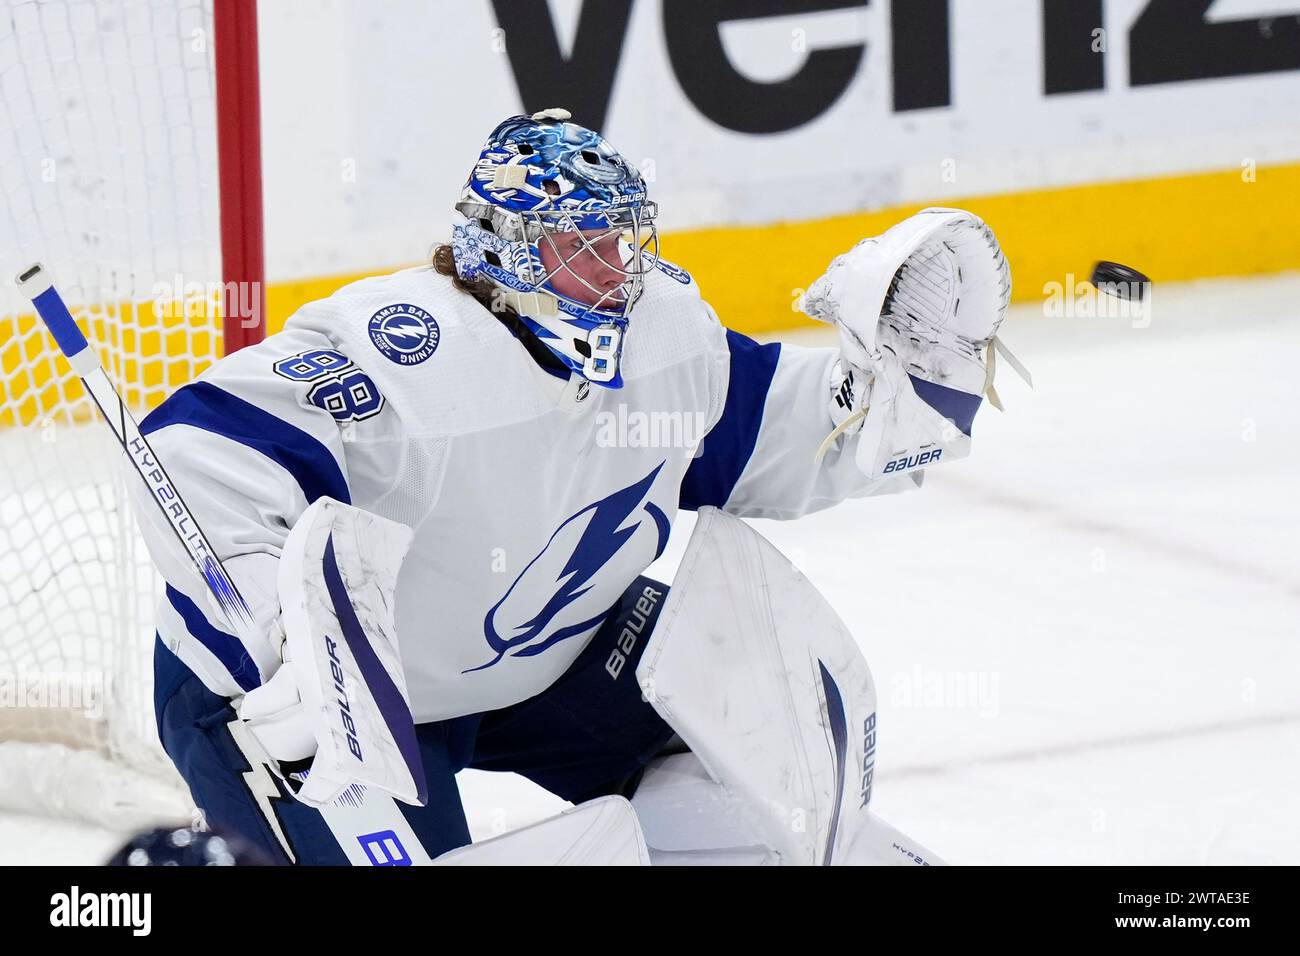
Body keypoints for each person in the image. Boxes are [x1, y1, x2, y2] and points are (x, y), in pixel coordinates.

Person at [130, 107, 1011, 864]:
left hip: (532, 664)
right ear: (499, 253)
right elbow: (194, 447)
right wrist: (270, 622)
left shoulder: (667, 339)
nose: (614, 269)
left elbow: (774, 433)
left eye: (624, 239)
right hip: (326, 697)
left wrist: (908, 388)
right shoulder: (411, 354)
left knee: (758, 764)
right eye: (579, 246)